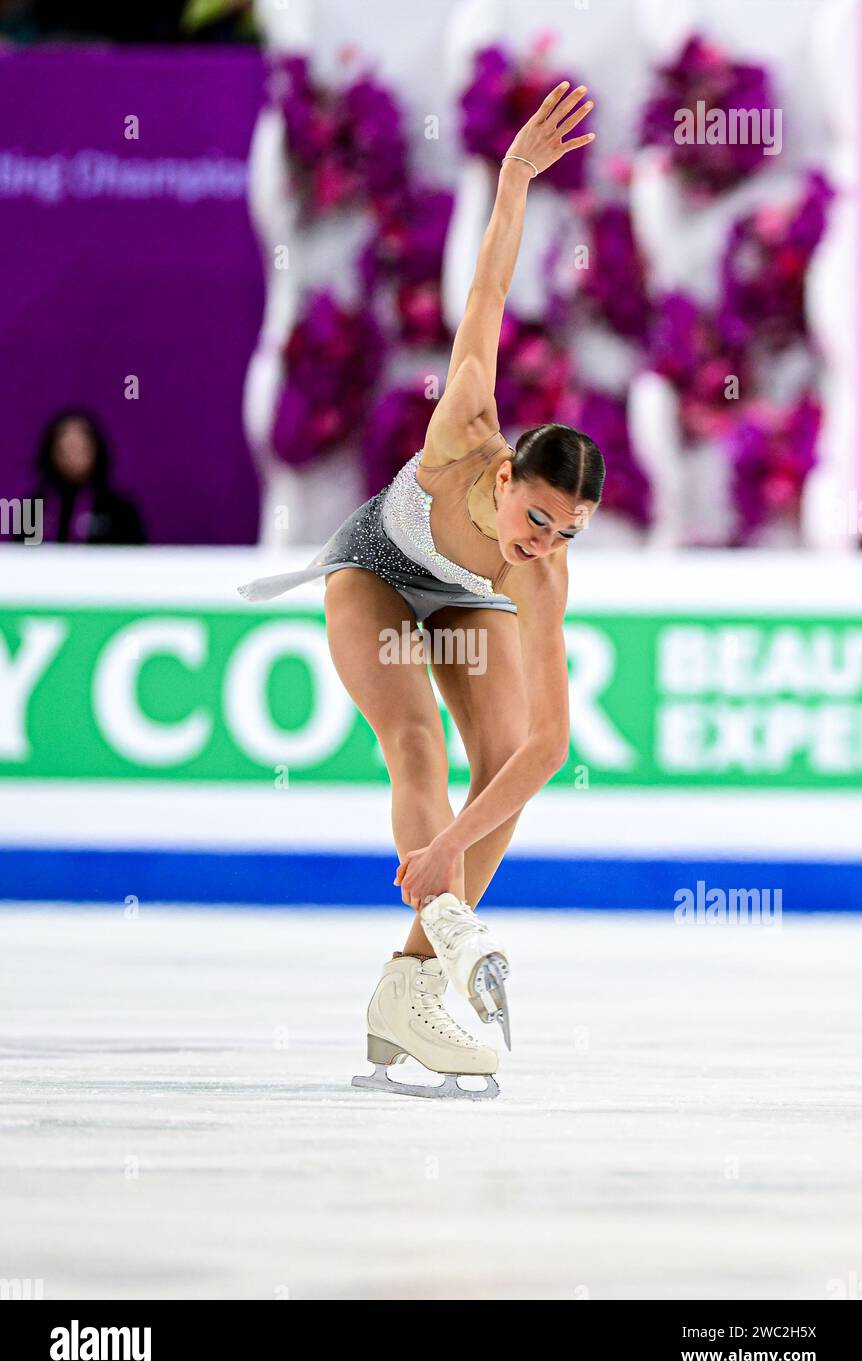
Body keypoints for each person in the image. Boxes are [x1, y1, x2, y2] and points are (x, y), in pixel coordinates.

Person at [240, 82, 602, 1099]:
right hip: (375, 574)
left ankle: (408, 981)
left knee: (495, 764)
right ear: (501, 477)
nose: (542, 542)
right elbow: (484, 292)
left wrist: (447, 844)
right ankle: (445, 929)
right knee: (414, 742)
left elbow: (546, 749)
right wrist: (513, 180)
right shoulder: (466, 428)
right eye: (535, 518)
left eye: (566, 531)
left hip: (458, 605)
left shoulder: (541, 575)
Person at [28, 410, 145, 545]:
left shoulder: (120, 511)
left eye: (79, 449)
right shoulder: (32, 509)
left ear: (95, 450)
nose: (72, 457)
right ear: (52, 452)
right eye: (65, 449)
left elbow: (136, 560)